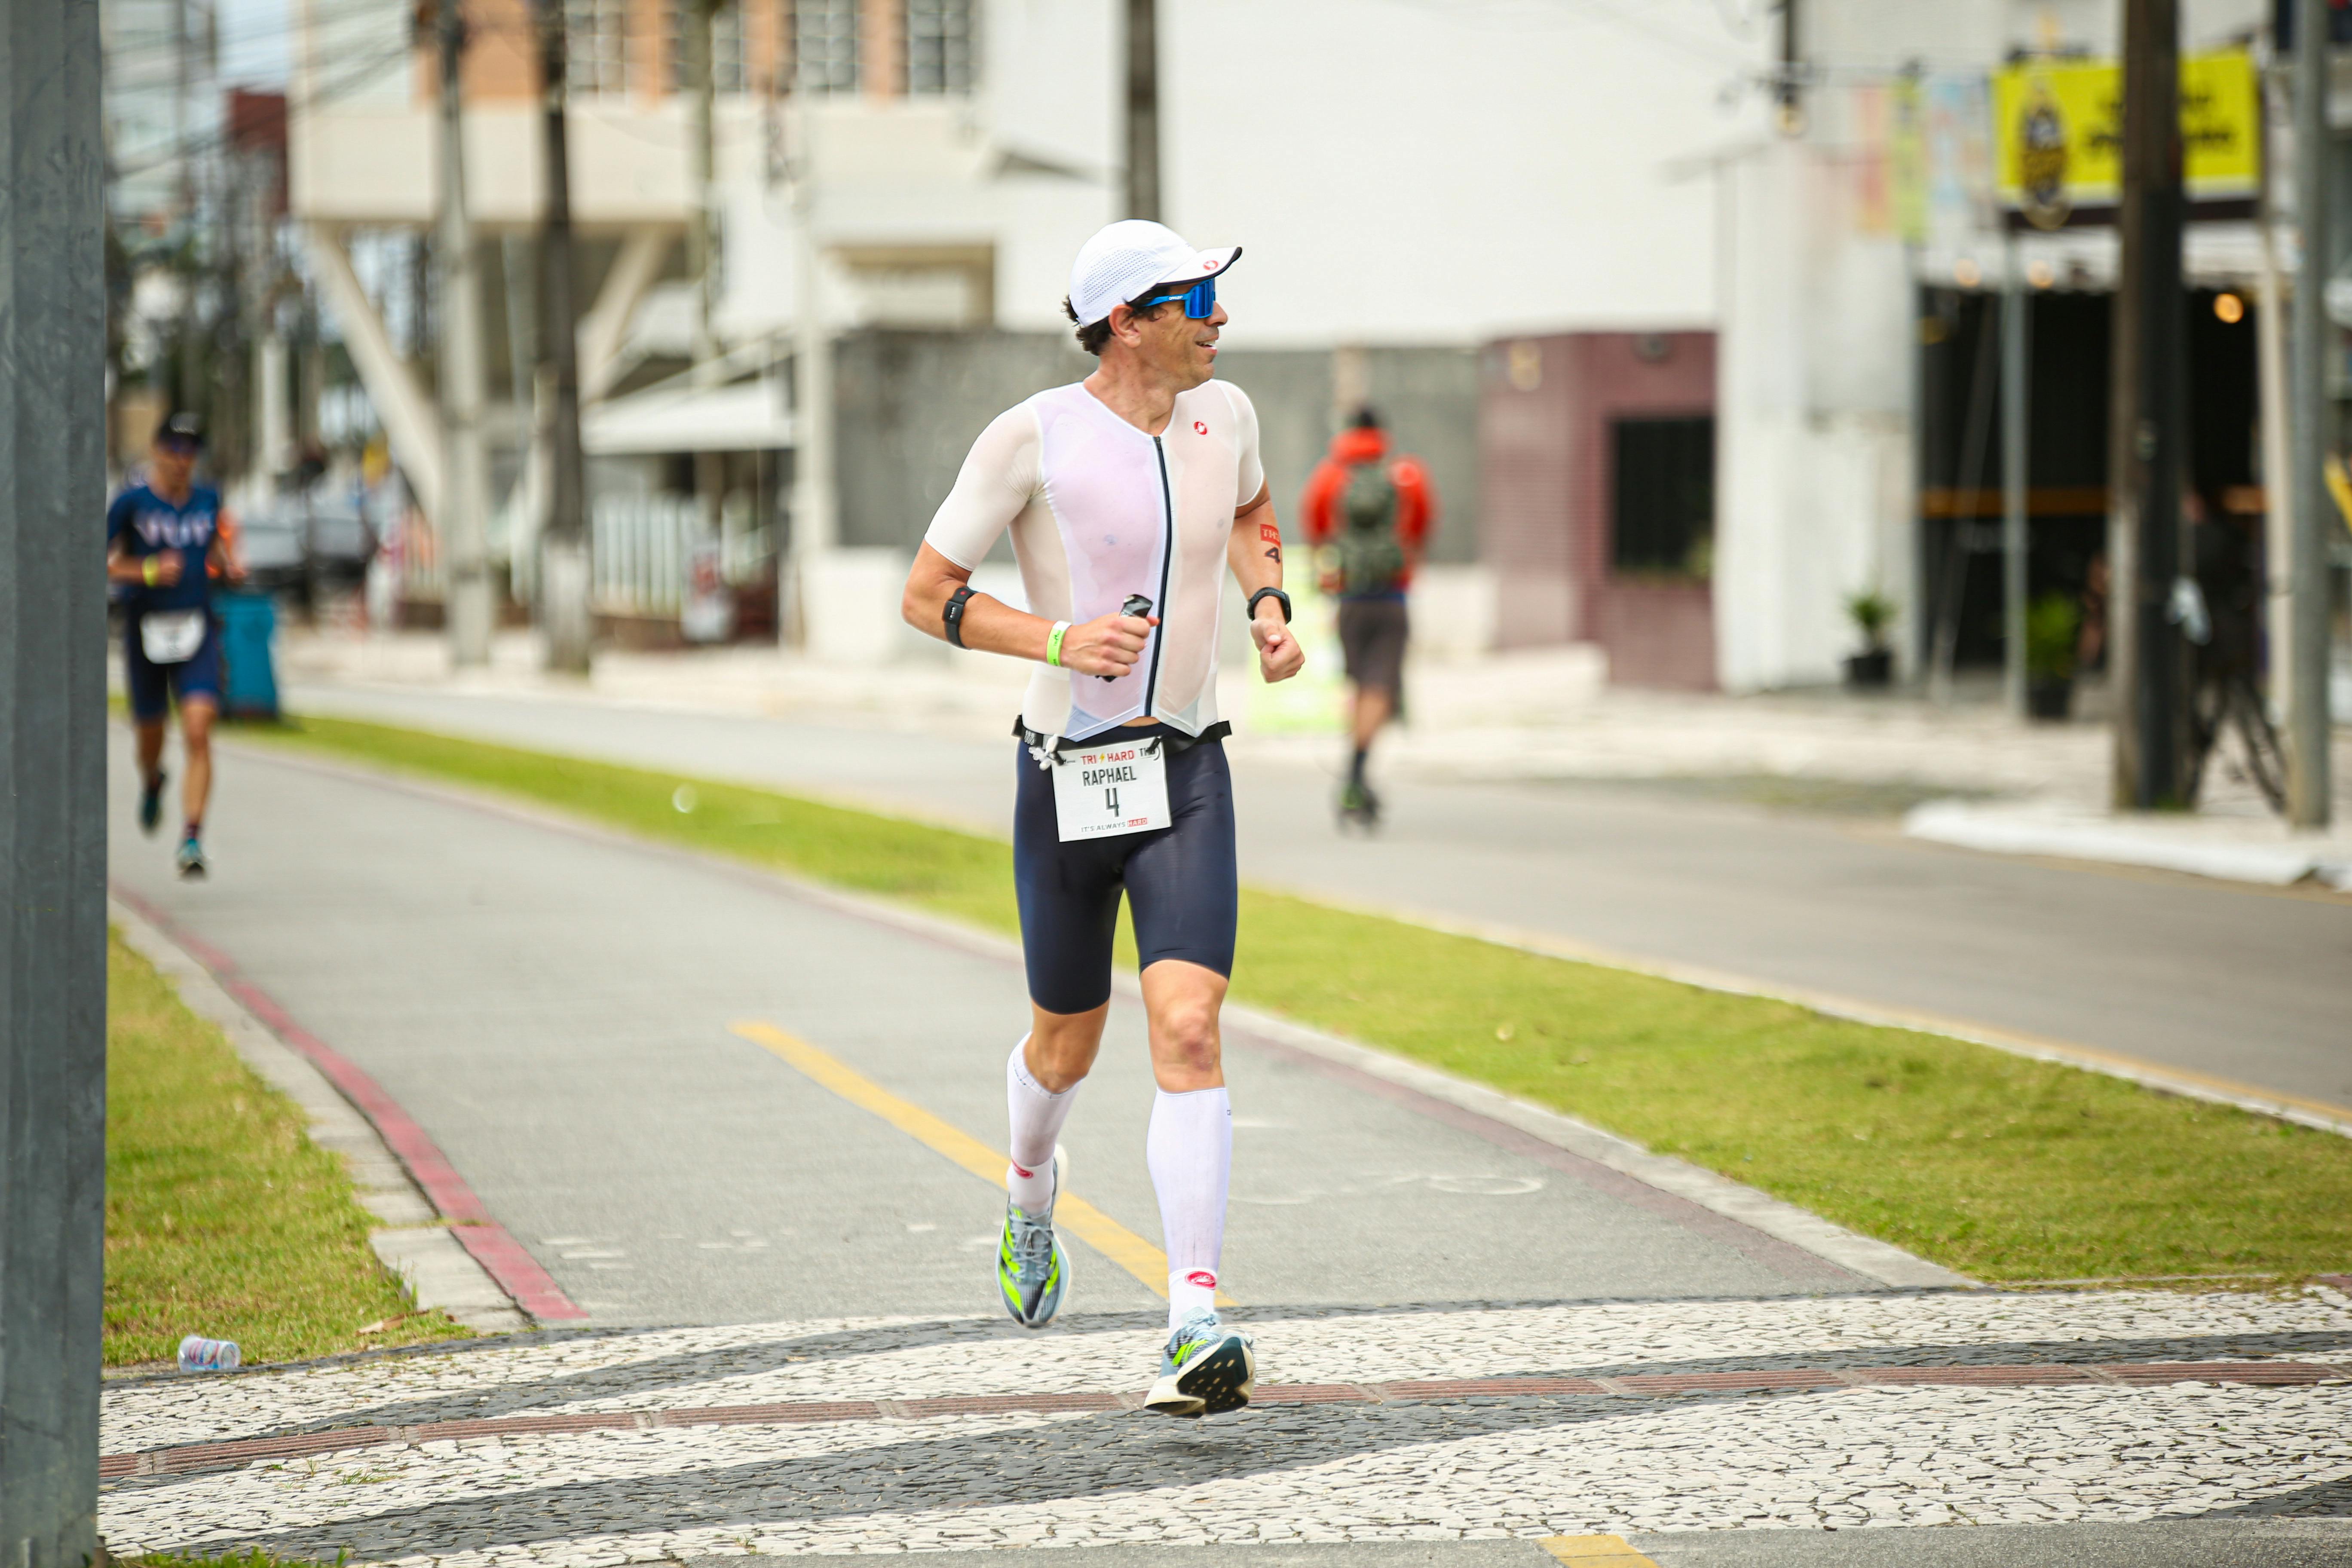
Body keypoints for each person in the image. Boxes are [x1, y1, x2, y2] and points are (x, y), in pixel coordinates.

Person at [901, 219, 1304, 1418]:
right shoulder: (1032, 437)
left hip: (1187, 765)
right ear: (1128, 319)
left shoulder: (1225, 418)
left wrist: (1270, 602)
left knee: (1188, 1027)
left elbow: (1251, 509)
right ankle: (1030, 1192)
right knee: (1065, 1044)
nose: (1218, 320)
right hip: (1070, 769)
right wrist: (1061, 641)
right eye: (1195, 301)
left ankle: (1194, 1318)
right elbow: (928, 597)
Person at [107, 413, 243, 879]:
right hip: (146, 629)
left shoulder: (208, 500)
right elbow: (101, 560)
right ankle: (152, 780)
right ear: (157, 450)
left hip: (196, 628)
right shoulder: (131, 504)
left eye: (191, 451)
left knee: (200, 729)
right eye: (174, 450)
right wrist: (144, 571)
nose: (182, 460)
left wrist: (228, 567)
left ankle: (191, 837)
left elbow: (216, 552)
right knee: (151, 736)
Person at [1300, 407, 1437, 826]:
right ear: (1383, 432)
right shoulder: (1407, 473)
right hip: (1392, 596)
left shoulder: (1330, 475)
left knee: (1361, 684)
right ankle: (1357, 774)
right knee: (1382, 686)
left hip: (1350, 597)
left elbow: (1317, 528)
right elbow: (1422, 526)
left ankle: (1356, 775)